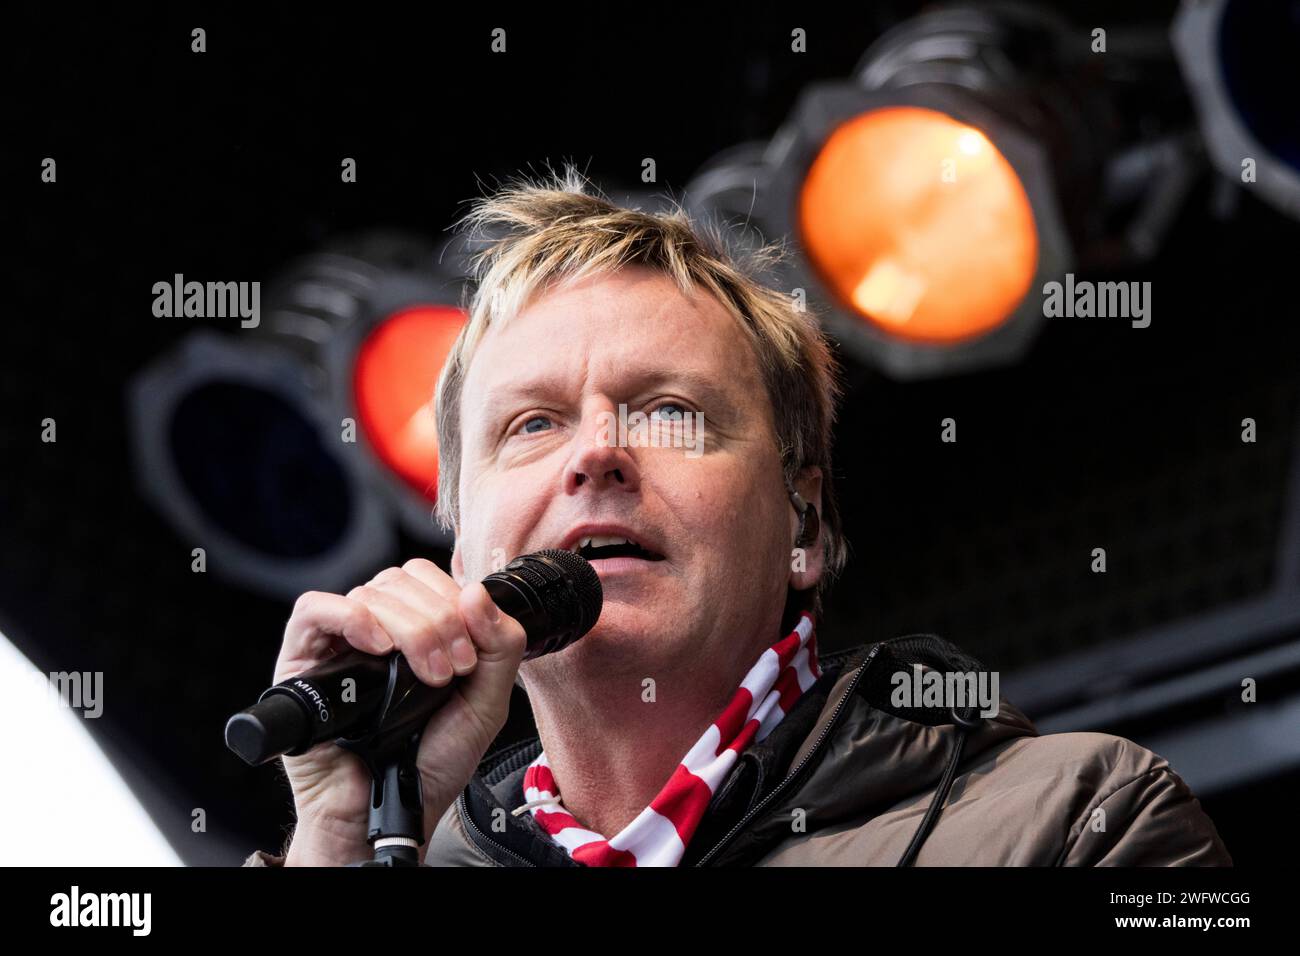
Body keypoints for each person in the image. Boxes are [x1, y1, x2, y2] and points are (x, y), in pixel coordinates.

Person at [243, 166, 1231, 867]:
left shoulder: (1081, 819)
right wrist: (334, 840)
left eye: (668, 411)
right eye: (532, 422)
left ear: (802, 522)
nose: (596, 452)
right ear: (462, 551)